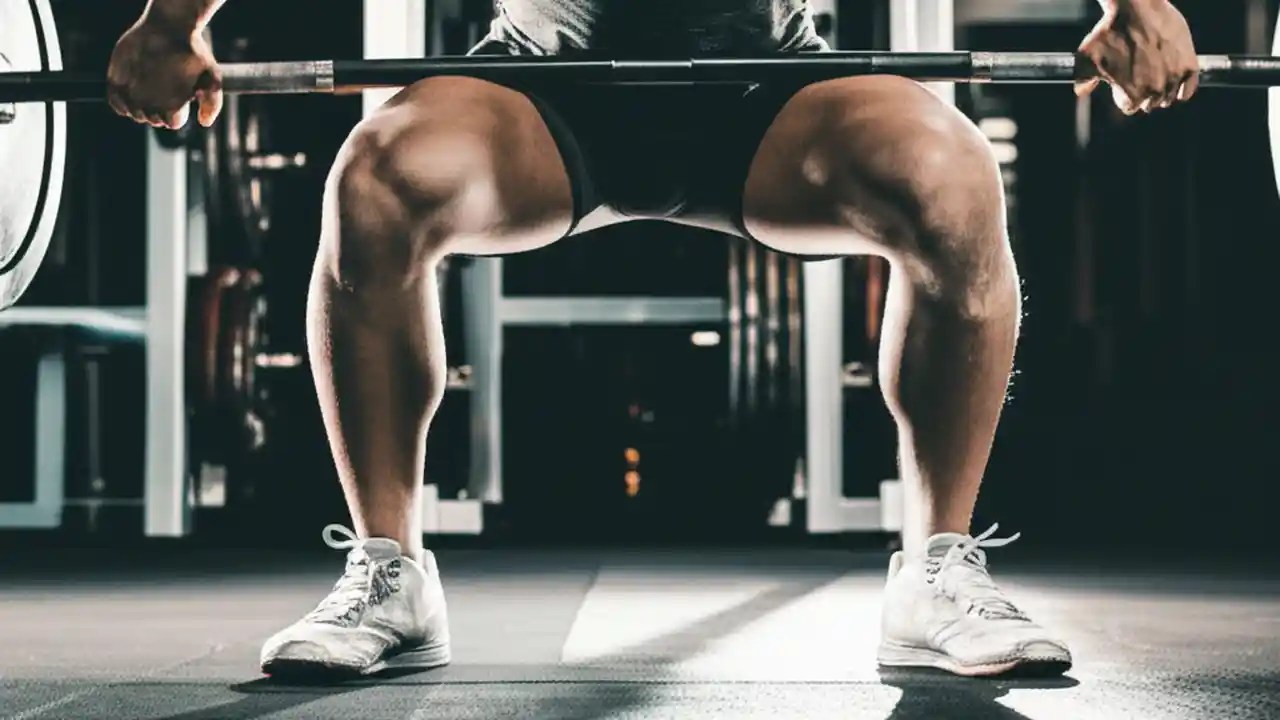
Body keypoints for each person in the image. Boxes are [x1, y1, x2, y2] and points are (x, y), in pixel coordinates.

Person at [107, 0, 1199, 679]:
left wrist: (1135, 3)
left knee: (950, 176)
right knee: (379, 178)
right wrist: (172, 22)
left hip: (767, 87)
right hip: (541, 86)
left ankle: (933, 571)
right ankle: (390, 576)